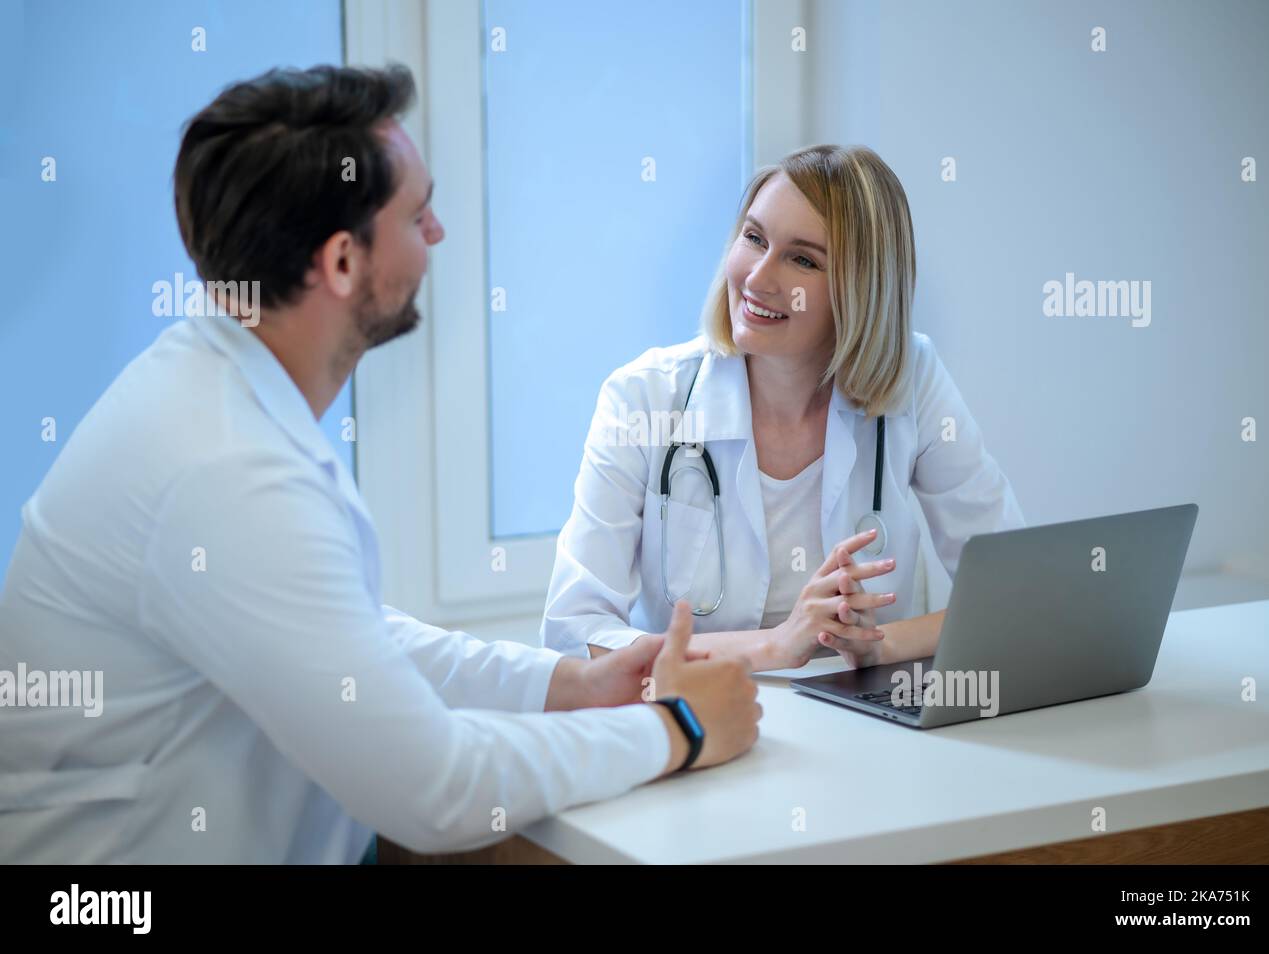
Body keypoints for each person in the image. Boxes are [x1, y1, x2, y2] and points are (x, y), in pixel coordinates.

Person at [0, 64, 760, 864]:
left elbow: (345, 641)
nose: (436, 235)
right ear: (340, 262)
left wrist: (566, 686)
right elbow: (438, 792)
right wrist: (675, 727)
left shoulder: (210, 386)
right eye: (418, 213)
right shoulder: (225, 469)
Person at [542, 145, 1025, 671]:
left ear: (860, 290)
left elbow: (1016, 593)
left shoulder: (914, 379)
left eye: (802, 259)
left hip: (861, 722)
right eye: (754, 238)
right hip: (695, 722)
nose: (756, 278)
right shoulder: (644, 397)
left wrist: (880, 644)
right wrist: (778, 645)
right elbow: (574, 634)